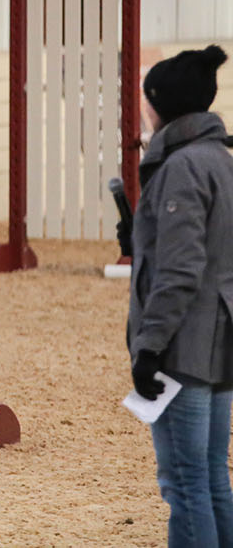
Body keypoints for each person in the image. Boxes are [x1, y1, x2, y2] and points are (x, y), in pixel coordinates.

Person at [128, 44, 233, 547]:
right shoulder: (219, 159)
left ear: (162, 103)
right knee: (212, 480)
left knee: (184, 484)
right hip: (219, 346)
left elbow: (181, 270)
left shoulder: (182, 167)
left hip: (185, 348)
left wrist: (149, 346)